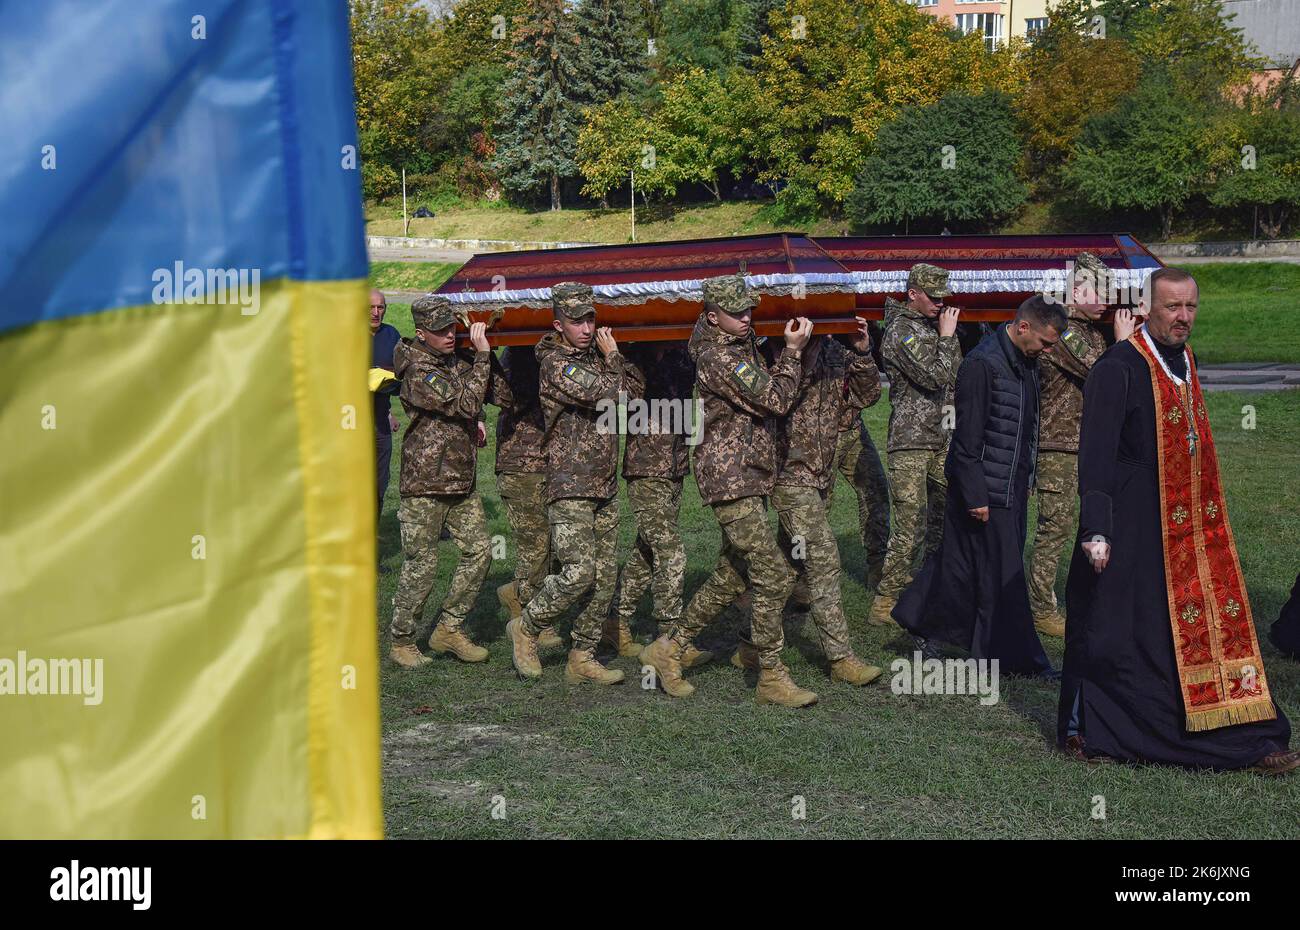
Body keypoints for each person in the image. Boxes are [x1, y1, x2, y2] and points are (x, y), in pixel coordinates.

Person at [1059, 267, 1297, 773]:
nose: (1183, 317)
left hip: (1185, 526)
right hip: (1128, 524)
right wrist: (1096, 529)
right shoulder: (1117, 366)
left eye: (1190, 307)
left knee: (1172, 630)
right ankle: (1087, 728)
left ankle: (1216, 721)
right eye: (1173, 307)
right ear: (1147, 307)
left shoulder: (1184, 360)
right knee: (1110, 627)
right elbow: (1096, 456)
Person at [639, 273, 817, 706]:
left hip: (748, 474)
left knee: (729, 575)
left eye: (749, 309)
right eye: (735, 312)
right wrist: (792, 353)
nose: (746, 317)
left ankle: (669, 648)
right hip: (730, 479)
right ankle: (771, 675)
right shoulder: (721, 359)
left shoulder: (739, 345)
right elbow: (775, 399)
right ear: (712, 317)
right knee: (773, 574)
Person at [894, 296, 1066, 678]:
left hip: (1009, 486)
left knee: (960, 565)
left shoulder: (1025, 361)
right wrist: (976, 495)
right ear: (1024, 328)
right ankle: (1018, 660)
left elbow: (1023, 428)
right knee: (1003, 575)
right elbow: (967, 438)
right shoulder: (982, 365)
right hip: (985, 490)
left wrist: (1027, 479)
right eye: (1046, 343)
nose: (1049, 351)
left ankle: (920, 622)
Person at [506, 282, 627, 685]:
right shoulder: (557, 364)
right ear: (559, 325)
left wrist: (610, 360)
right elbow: (613, 395)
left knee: (605, 576)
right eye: (577, 321)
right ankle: (527, 626)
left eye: (591, 319)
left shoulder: (593, 357)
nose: (588, 328)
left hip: (604, 481)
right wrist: (614, 358)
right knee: (579, 571)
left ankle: (582, 654)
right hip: (571, 482)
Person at [388, 296, 510, 668]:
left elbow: (501, 396)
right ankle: (402, 640)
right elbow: (468, 405)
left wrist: (488, 353)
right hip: (425, 482)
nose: (449, 335)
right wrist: (483, 357)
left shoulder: (455, 358)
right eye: (440, 330)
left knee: (480, 552)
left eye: (452, 327)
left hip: (460, 480)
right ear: (421, 333)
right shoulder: (418, 371)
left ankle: (449, 628)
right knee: (421, 564)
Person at [765, 321, 885, 687]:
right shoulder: (771, 347)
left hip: (820, 472)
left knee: (785, 568)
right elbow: (773, 401)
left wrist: (862, 350)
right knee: (823, 559)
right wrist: (793, 351)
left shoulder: (835, 349)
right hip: (788, 474)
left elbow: (867, 397)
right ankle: (841, 658)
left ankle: (741, 643)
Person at [1027, 254, 1135, 638]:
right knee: (1054, 528)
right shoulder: (1065, 330)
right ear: (1077, 291)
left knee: (1089, 527)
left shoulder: (1090, 330)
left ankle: (1083, 596)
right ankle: (1041, 607)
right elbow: (1102, 372)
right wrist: (1123, 345)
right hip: (1059, 446)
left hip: (1085, 444)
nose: (1107, 300)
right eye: (1100, 292)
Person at [869, 264, 962, 626]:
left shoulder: (929, 326)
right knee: (911, 522)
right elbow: (935, 374)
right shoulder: (900, 332)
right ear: (913, 294)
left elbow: (955, 376)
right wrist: (949, 336)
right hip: (910, 440)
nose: (941, 303)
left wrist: (944, 336)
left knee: (941, 515)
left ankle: (924, 586)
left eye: (943, 297)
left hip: (941, 435)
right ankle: (885, 600)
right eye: (933, 297)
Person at [610, 343, 713, 668]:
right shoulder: (629, 354)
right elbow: (624, 400)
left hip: (675, 466)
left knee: (646, 552)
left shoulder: (684, 351)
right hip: (644, 468)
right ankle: (671, 638)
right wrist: (617, 356)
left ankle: (615, 622)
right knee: (670, 552)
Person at [493, 345, 563, 650]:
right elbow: (508, 397)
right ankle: (533, 621)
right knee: (535, 546)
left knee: (558, 546)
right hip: (522, 462)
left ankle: (518, 593)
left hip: (555, 461)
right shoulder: (520, 355)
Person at [828, 404, 891, 592]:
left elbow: (871, 393)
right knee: (814, 504)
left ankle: (878, 566)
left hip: (853, 427)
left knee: (875, 489)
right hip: (815, 432)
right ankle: (802, 576)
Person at [370, 289, 402, 521]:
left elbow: (401, 377)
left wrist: (389, 412)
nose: (375, 312)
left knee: (380, 483)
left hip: (380, 422)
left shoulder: (391, 335)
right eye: (370, 307)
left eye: (380, 307)